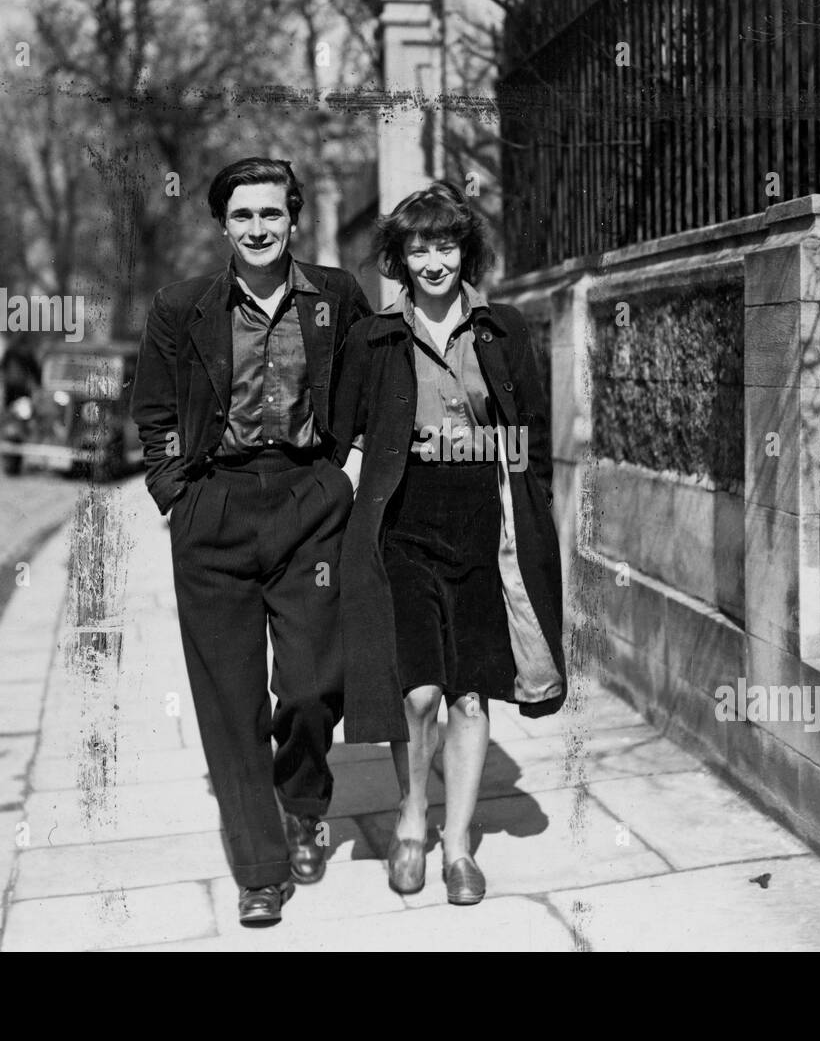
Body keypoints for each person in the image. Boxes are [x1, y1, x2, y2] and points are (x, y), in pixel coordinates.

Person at [131, 157, 370, 927]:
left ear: (293, 218)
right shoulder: (181, 308)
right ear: (222, 225)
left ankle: (303, 801)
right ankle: (260, 870)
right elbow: (154, 411)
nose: (258, 228)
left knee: (311, 683)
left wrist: (348, 473)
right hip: (216, 508)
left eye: (271, 213)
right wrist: (177, 495)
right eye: (243, 215)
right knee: (229, 702)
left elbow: (369, 389)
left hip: (310, 500)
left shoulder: (336, 296)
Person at [332, 181, 566, 906]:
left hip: (481, 523)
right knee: (419, 692)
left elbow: (530, 438)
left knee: (468, 695)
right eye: (418, 248)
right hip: (404, 522)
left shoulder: (503, 329)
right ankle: (411, 817)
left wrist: (531, 517)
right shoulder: (372, 338)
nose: (434, 262)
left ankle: (458, 845)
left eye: (446, 246)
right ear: (399, 258)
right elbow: (341, 435)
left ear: (466, 251)